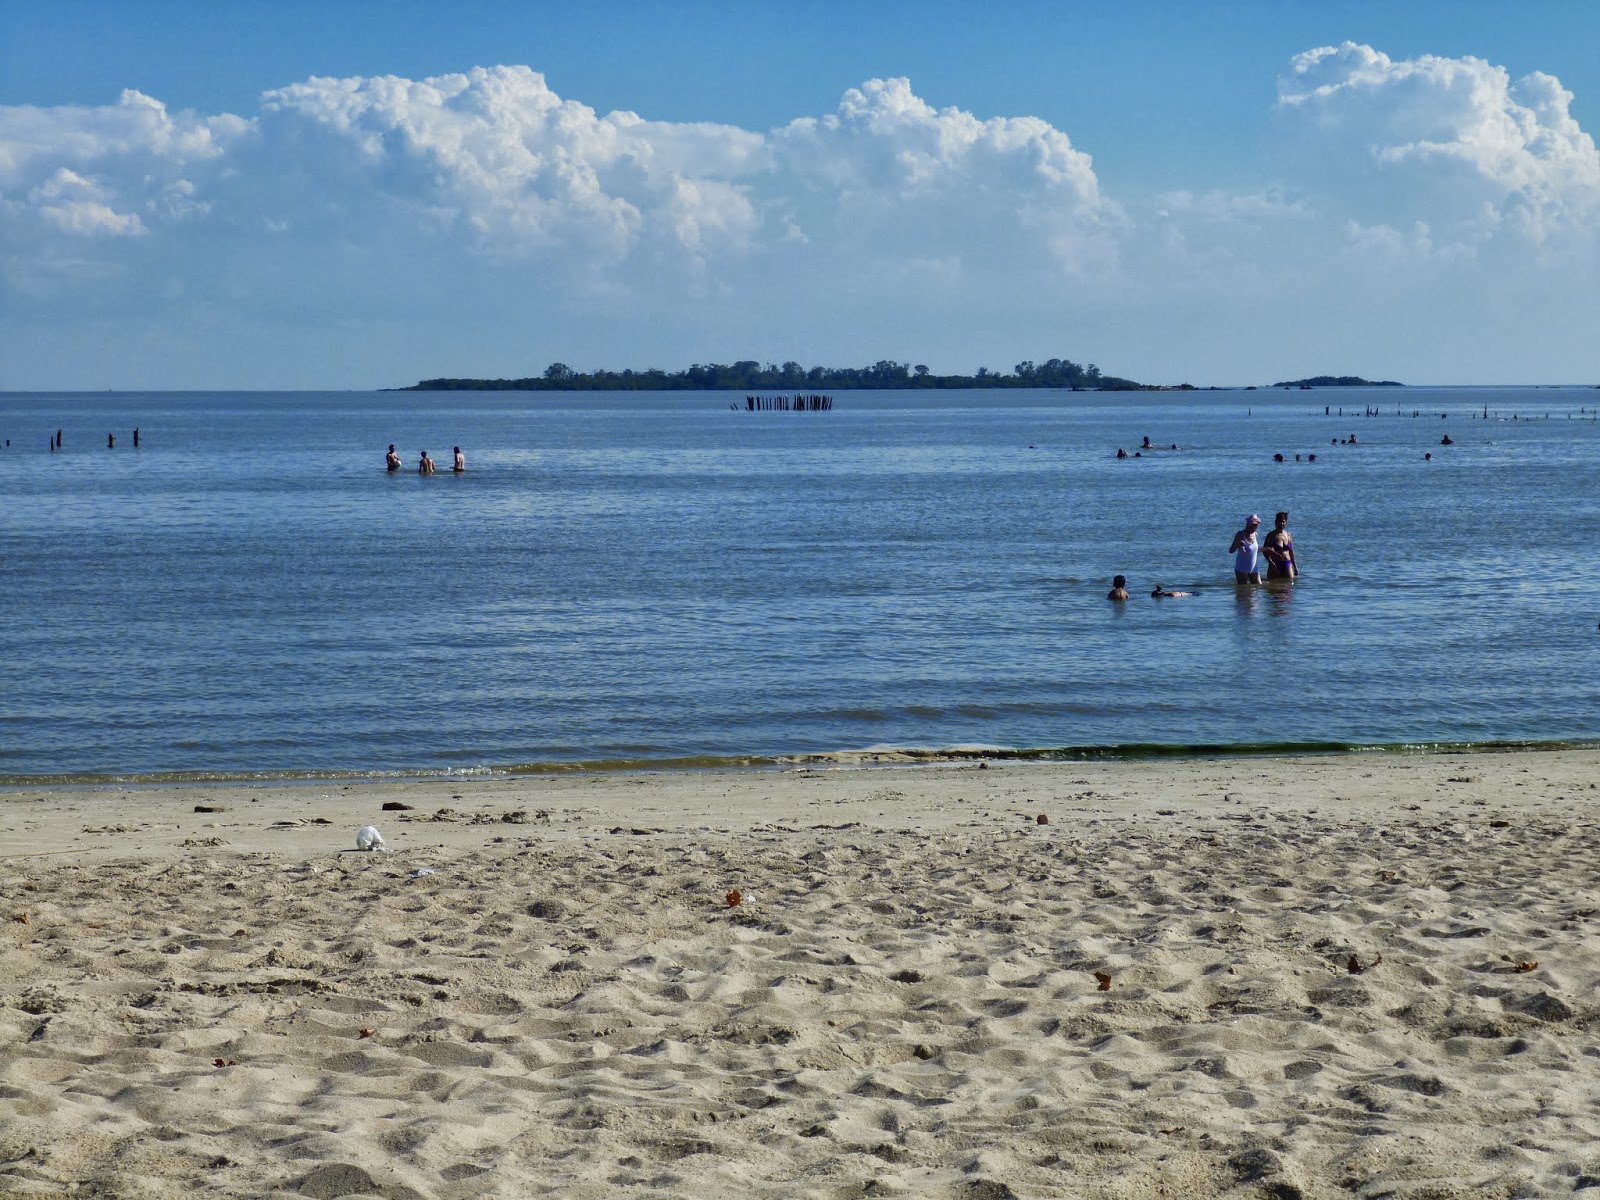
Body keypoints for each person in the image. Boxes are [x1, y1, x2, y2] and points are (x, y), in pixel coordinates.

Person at [1263, 511, 1297, 580]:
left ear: (1286, 523)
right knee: (1273, 584)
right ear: (1276, 522)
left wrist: (1295, 566)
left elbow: (1291, 552)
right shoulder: (1271, 535)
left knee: (1290, 583)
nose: (1281, 524)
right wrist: (1271, 562)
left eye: (1283, 522)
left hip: (1287, 563)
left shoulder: (1288, 535)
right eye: (1279, 522)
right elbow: (1265, 551)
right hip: (1275, 563)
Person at [1229, 514, 1262, 584]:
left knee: (1258, 586)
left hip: (1254, 567)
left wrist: (1267, 549)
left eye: (1257, 525)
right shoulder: (1240, 534)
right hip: (1242, 568)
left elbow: (1254, 550)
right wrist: (1238, 544)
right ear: (1249, 525)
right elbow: (1231, 550)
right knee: (1243, 589)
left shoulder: (1255, 534)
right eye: (1254, 525)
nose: (1256, 527)